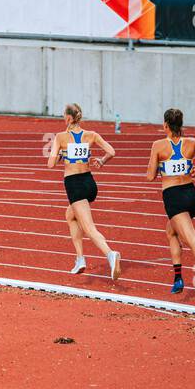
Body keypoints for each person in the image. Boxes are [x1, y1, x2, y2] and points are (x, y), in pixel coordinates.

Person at [146, 108, 195, 304]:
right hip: (192, 196)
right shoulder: (192, 143)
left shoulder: (158, 145)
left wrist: (160, 165)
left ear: (165, 125)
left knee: (192, 241)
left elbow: (149, 176)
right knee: (171, 232)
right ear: (180, 125)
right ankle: (178, 278)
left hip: (174, 198)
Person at [45, 103, 120, 280]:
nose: (63, 118)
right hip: (89, 183)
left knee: (88, 227)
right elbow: (111, 151)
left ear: (69, 118)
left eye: (64, 115)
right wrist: (101, 161)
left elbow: (50, 164)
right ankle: (80, 259)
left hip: (74, 185)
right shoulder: (91, 135)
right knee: (70, 215)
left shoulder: (61, 137)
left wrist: (61, 155)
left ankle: (110, 254)